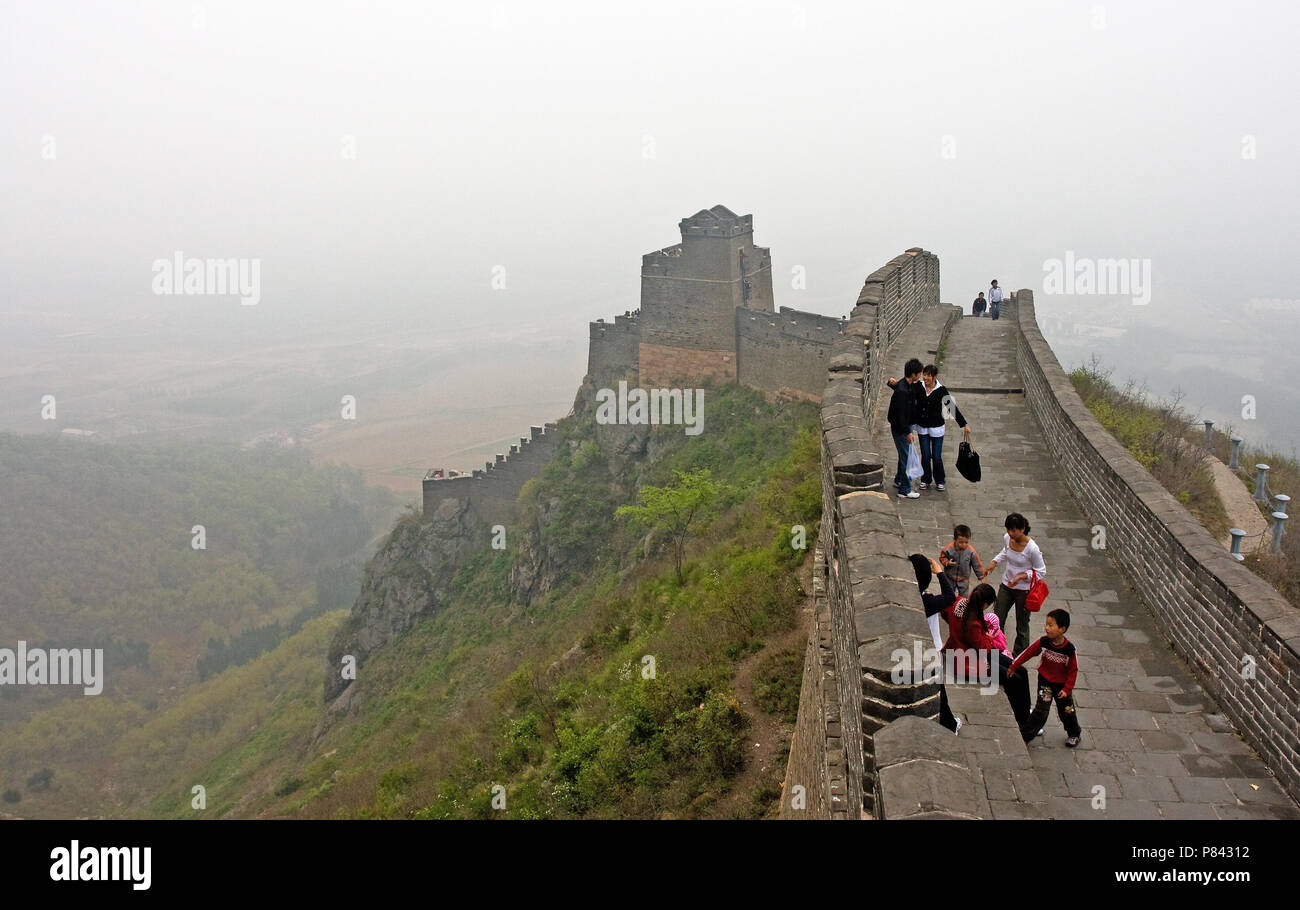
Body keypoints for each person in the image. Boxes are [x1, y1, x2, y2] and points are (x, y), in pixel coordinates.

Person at [939, 581, 1032, 731]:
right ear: (985, 605)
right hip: (970, 662)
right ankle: (1023, 720)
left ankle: (1025, 712)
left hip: (972, 653)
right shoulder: (973, 623)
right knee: (1014, 678)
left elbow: (944, 612)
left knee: (1021, 670)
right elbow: (983, 647)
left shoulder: (957, 603)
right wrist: (988, 636)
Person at [1006, 608, 1082, 747]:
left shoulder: (1069, 650)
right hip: (1045, 681)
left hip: (1062, 686)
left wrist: (1067, 689)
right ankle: (1025, 736)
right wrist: (1014, 665)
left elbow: (1073, 671)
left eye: (1051, 625)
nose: (1047, 628)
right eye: (1046, 624)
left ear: (1062, 629)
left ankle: (1074, 734)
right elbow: (1028, 652)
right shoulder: (1044, 642)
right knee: (1040, 711)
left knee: (1066, 711)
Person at [982, 513, 1047, 656]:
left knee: (1022, 624)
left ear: (1022, 529)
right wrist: (994, 562)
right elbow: (1006, 552)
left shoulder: (1032, 549)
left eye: (1013, 530)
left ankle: (1019, 655)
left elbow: (1041, 571)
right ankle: (998, 649)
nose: (1010, 534)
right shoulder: (1007, 539)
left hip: (1023, 591)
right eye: (1008, 530)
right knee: (997, 618)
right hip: (1007, 585)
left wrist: (1023, 576)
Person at [912, 364, 970, 491]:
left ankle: (940, 480)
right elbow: (904, 391)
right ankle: (926, 479)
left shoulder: (941, 390)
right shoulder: (918, 387)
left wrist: (964, 424)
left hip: (937, 428)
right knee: (926, 456)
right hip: (922, 428)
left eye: (928, 375)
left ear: (934, 377)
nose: (925, 378)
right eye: (924, 375)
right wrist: (892, 384)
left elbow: (952, 408)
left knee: (936, 456)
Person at [887, 358, 923, 500]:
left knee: (903, 456)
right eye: (919, 373)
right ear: (913, 374)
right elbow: (901, 414)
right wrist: (907, 432)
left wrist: (891, 383)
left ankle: (899, 480)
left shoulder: (904, 384)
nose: (920, 376)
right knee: (906, 459)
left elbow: (901, 390)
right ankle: (905, 489)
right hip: (901, 429)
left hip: (903, 427)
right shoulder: (903, 389)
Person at [940, 524, 985, 596]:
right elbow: (942, 557)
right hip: (950, 577)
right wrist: (947, 563)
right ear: (955, 539)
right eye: (961, 542)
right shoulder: (948, 549)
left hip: (964, 579)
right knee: (948, 595)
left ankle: (960, 607)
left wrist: (981, 577)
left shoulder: (971, 552)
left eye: (966, 542)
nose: (964, 545)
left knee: (963, 598)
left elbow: (977, 565)